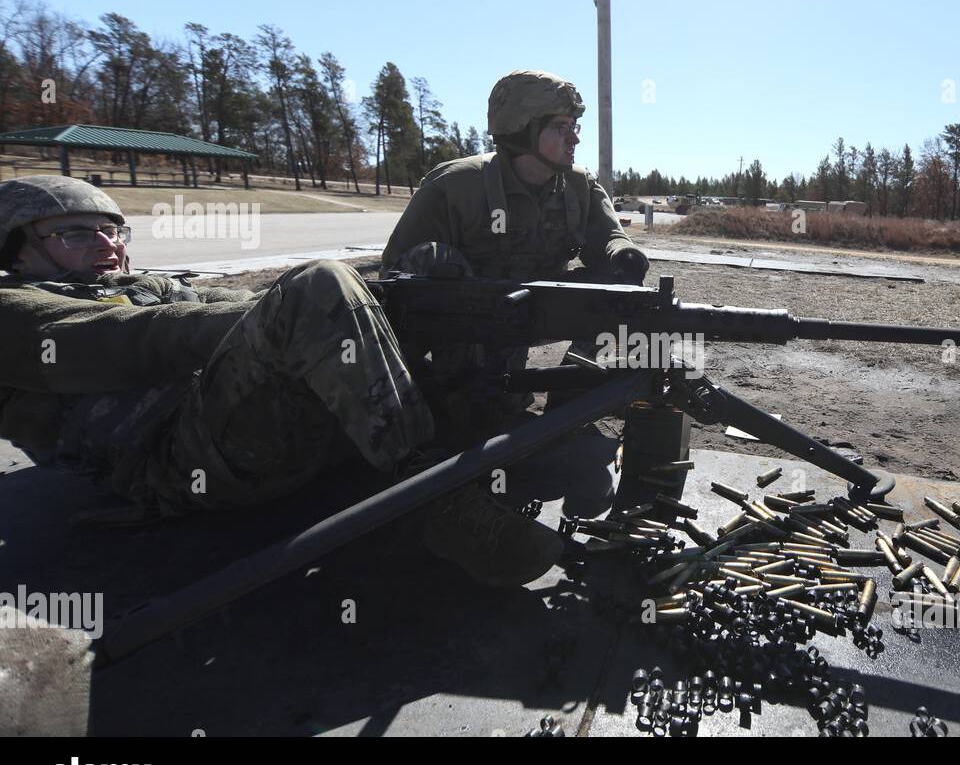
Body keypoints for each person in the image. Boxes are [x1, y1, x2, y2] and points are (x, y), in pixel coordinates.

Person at [0, 175, 562, 586]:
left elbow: (251, 302)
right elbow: (135, 336)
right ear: (17, 251)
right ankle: (435, 498)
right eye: (75, 235)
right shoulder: (16, 308)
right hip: (177, 462)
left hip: (248, 435)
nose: (105, 245)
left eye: (111, 230)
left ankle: (479, 415)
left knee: (425, 265)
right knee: (318, 287)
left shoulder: (151, 284)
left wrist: (376, 298)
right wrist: (307, 308)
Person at [381, 71, 651, 426]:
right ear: (522, 130)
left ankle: (571, 395)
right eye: (560, 127)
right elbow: (395, 281)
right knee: (432, 262)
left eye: (574, 126)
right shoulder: (456, 186)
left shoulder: (578, 187)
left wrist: (623, 256)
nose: (573, 139)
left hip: (537, 308)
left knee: (616, 284)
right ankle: (438, 395)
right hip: (469, 320)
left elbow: (608, 241)